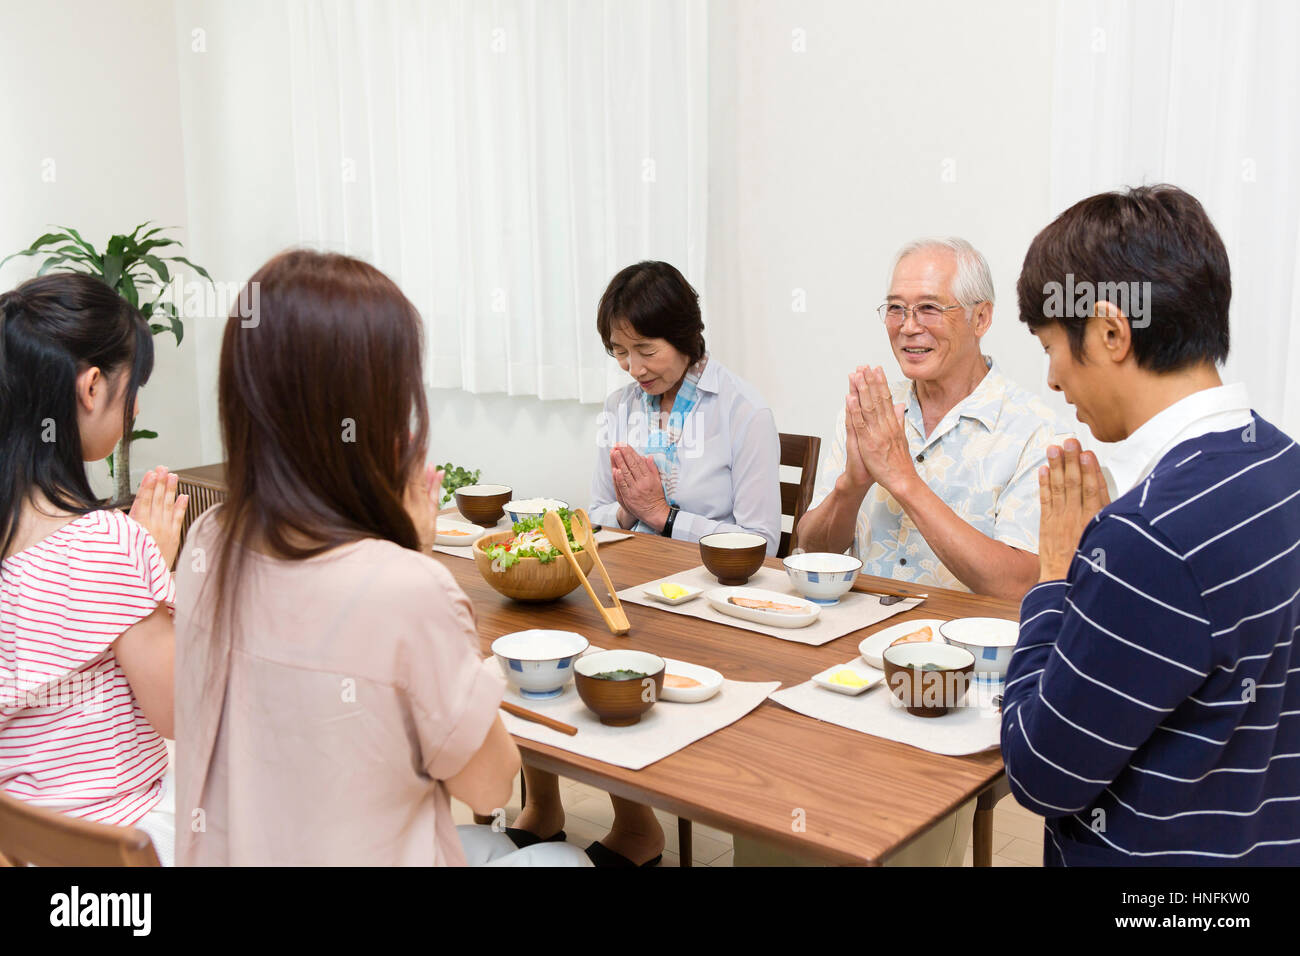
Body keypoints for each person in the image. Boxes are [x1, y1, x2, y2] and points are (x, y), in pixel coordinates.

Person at [172, 250, 588, 866]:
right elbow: (491, 786)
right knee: (566, 862)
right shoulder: (403, 587)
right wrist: (408, 554)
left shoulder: (209, 540)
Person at [1002, 184, 1300, 865]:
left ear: (1110, 333)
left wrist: (1056, 575)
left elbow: (1040, 772)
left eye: (1051, 346)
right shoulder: (1285, 464)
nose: (1051, 379)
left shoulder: (1148, 535)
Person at [513, 260, 781, 866]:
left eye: (645, 350)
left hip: (711, 605)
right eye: (619, 352)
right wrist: (632, 514)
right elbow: (600, 512)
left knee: (609, 665)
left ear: (685, 337)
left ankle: (638, 829)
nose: (634, 369)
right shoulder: (620, 406)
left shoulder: (743, 412)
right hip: (632, 583)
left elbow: (762, 544)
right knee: (541, 644)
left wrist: (664, 517)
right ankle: (544, 806)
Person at [0, 274, 187, 866]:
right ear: (92, 386)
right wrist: (151, 565)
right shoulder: (108, 542)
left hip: (26, 845)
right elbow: (180, 713)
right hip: (123, 845)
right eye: (135, 389)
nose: (135, 409)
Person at [796, 237, 1061, 602]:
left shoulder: (1036, 433)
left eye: (929, 308)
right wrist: (852, 485)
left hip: (962, 651)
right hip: (854, 634)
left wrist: (904, 481)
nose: (907, 326)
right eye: (896, 308)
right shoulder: (872, 411)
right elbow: (810, 552)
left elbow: (1016, 586)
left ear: (980, 318)